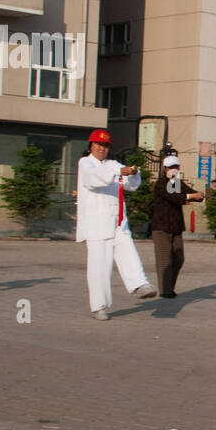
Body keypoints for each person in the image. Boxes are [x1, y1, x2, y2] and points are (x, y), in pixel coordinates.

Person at [76, 129, 156, 319]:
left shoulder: (112, 164)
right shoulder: (85, 163)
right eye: (98, 145)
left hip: (117, 220)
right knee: (99, 267)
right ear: (91, 145)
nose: (101, 149)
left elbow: (131, 184)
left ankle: (139, 285)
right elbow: (94, 179)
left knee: (128, 250)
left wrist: (134, 173)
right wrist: (118, 171)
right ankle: (99, 306)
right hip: (96, 223)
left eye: (105, 146)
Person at [149, 155, 204, 298]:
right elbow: (175, 197)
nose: (174, 170)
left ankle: (169, 287)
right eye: (171, 167)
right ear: (165, 168)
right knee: (164, 259)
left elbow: (188, 192)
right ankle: (165, 290)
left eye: (176, 167)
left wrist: (199, 195)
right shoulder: (161, 183)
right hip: (161, 227)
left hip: (176, 227)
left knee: (179, 257)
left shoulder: (177, 183)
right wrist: (192, 196)